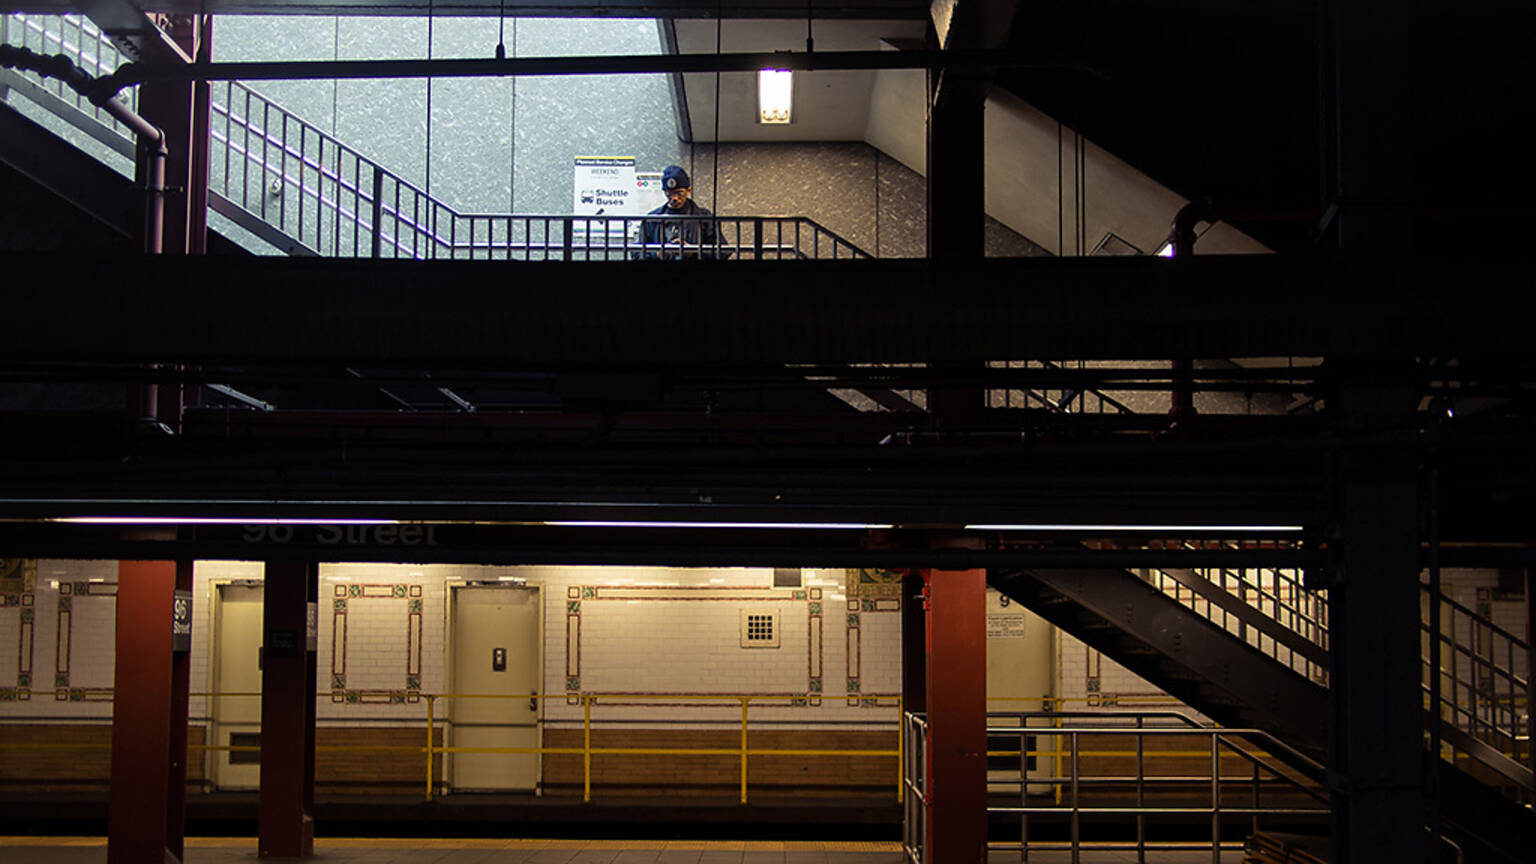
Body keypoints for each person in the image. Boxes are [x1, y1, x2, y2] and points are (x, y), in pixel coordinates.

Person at [634, 165, 728, 259]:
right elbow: (637, 254)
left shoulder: (704, 218)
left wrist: (693, 252)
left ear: (688, 190)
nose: (674, 198)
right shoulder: (652, 220)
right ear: (664, 192)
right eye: (669, 194)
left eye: (679, 193)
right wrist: (657, 255)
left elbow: (724, 251)